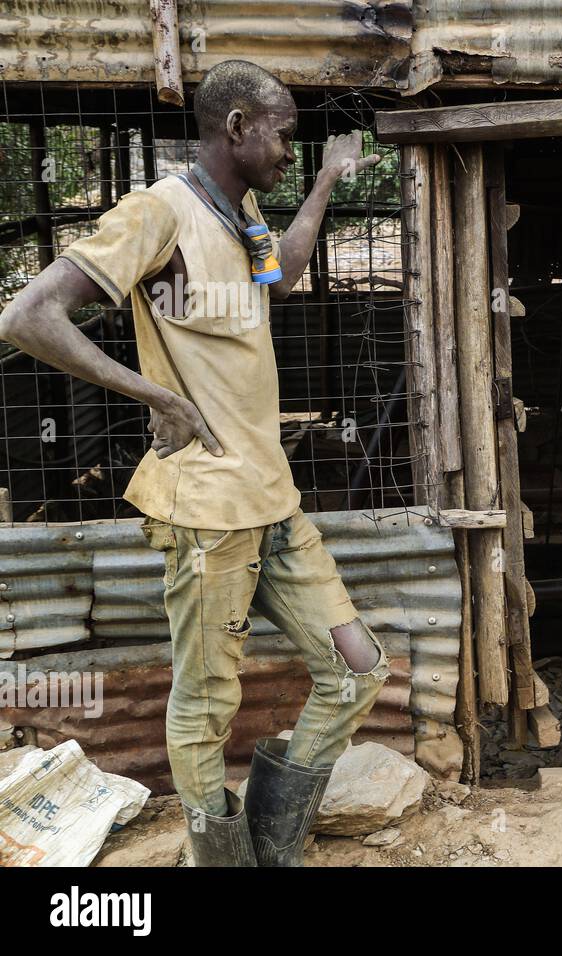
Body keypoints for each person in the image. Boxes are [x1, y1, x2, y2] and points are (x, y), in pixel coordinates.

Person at [0, 60, 388, 864]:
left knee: (356, 670)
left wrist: (323, 182)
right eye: (283, 134)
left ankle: (269, 850)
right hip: (207, 513)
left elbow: (279, 277)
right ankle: (221, 858)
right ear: (238, 125)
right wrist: (158, 395)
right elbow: (29, 315)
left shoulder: (237, 208)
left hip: (271, 500)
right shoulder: (160, 211)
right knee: (206, 704)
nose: (288, 147)